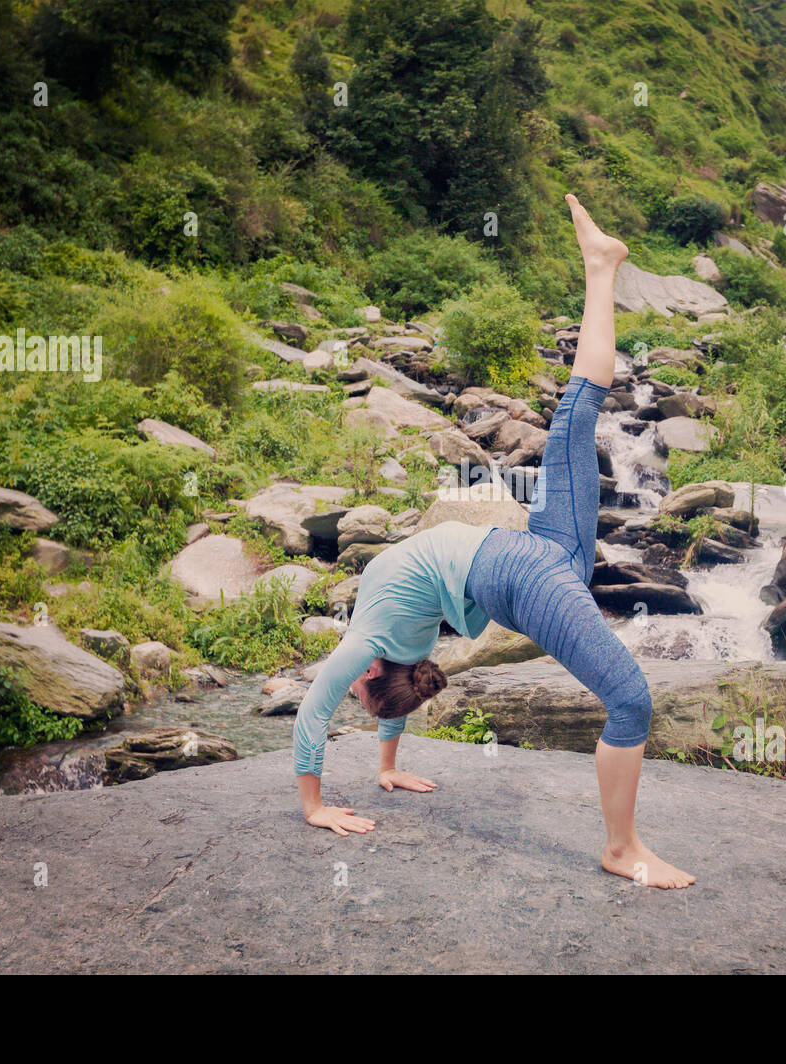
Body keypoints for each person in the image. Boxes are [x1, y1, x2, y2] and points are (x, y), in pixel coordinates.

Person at [291, 194, 696, 889]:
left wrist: (316, 808)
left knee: (576, 414)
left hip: (520, 567)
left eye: (363, 695)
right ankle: (622, 850)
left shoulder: (368, 642)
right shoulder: (398, 648)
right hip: (518, 560)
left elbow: (311, 711)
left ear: (366, 676)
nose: (356, 688)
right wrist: (386, 767)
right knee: (629, 699)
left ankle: (602, 267)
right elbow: (390, 703)